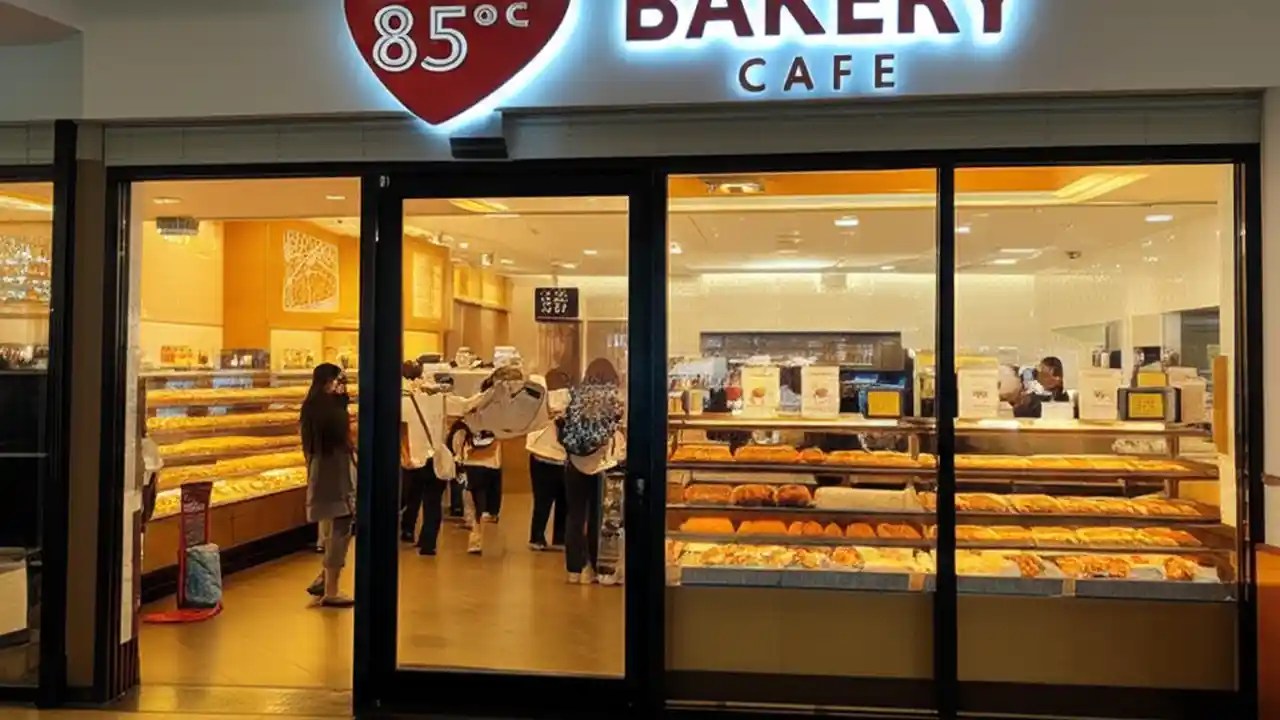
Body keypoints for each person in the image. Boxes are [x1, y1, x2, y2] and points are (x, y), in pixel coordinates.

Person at [559, 359, 624, 584]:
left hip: (574, 461)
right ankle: (596, 568)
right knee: (599, 516)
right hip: (602, 464)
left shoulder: (576, 396)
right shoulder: (614, 398)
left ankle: (574, 570)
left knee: (575, 516)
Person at [301, 363, 356, 608]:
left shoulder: (310, 408)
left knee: (332, 527)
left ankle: (325, 580)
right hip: (335, 470)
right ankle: (331, 589)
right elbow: (348, 439)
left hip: (318, 470)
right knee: (340, 528)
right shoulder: (333, 413)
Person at [400, 361, 448, 555]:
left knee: (410, 497)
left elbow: (401, 430)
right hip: (434, 455)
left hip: (414, 457)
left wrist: (405, 455)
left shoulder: (403, 400)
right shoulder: (438, 398)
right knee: (433, 503)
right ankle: (428, 542)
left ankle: (408, 529)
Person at [526, 370, 572, 551]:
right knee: (564, 501)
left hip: (539, 456)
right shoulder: (569, 400)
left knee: (541, 501)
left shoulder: (538, 400)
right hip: (563, 458)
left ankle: (536, 537)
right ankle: (559, 539)